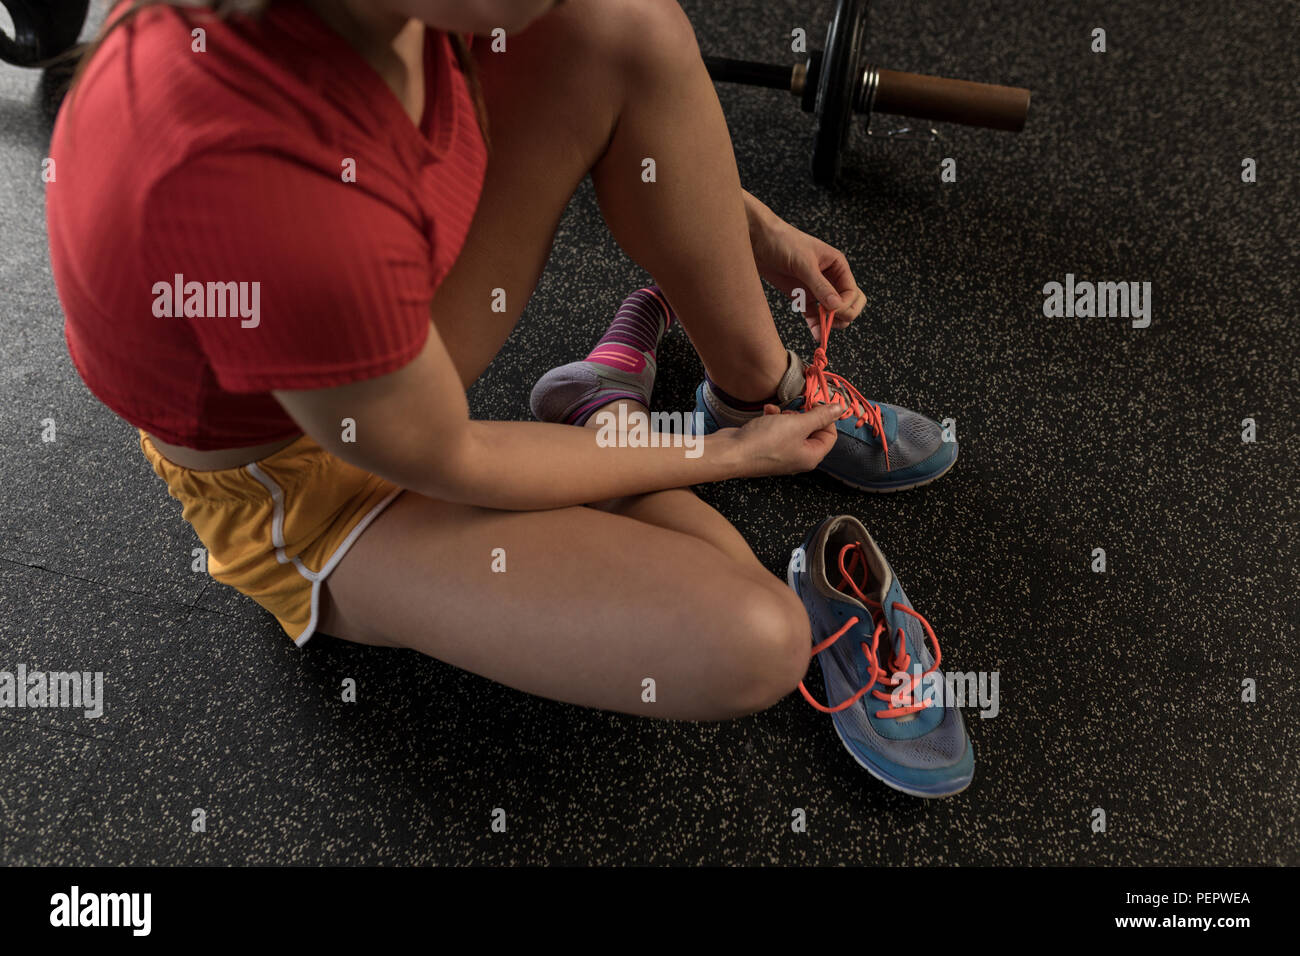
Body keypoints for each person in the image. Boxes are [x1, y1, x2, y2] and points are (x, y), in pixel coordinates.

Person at [47, 0, 956, 726]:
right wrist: (720, 458)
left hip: (384, 344)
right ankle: (626, 423)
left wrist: (739, 220)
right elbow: (453, 454)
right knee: (759, 637)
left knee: (621, 27)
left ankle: (752, 391)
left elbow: (587, 85)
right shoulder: (273, 195)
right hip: (323, 489)